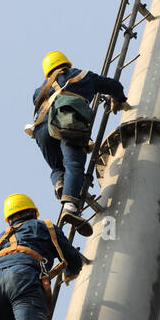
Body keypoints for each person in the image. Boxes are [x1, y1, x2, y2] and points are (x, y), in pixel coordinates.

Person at [26, 50, 127, 234]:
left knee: (57, 167)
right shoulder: (81, 76)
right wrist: (118, 99)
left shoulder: (38, 91)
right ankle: (70, 206)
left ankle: (61, 184)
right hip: (67, 123)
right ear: (66, 64)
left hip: (41, 130)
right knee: (73, 164)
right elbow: (113, 85)